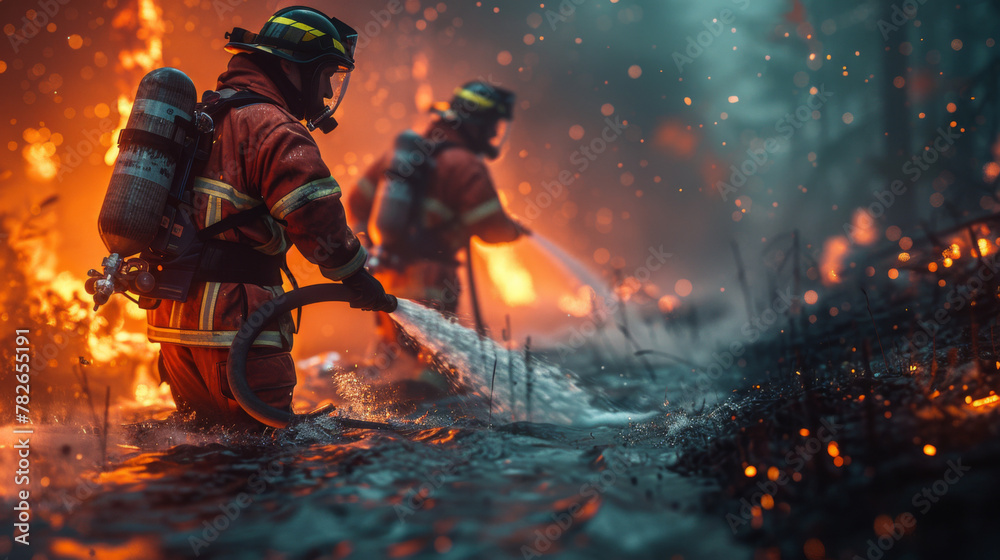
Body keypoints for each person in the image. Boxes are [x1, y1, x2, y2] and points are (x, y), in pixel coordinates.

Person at [148, 6, 394, 427]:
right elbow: (315, 216)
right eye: (324, 75)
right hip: (238, 326)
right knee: (266, 446)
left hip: (172, 325)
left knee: (202, 444)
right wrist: (355, 276)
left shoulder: (210, 115)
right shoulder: (271, 126)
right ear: (289, 67)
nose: (326, 92)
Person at [347, 81, 528, 385]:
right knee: (436, 370)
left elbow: (356, 201)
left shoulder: (404, 154)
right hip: (433, 283)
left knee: (392, 362)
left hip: (387, 278)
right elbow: (493, 229)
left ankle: (384, 410)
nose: (493, 134)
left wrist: (375, 248)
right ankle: (429, 411)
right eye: (492, 126)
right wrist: (514, 230)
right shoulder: (464, 165)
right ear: (477, 124)